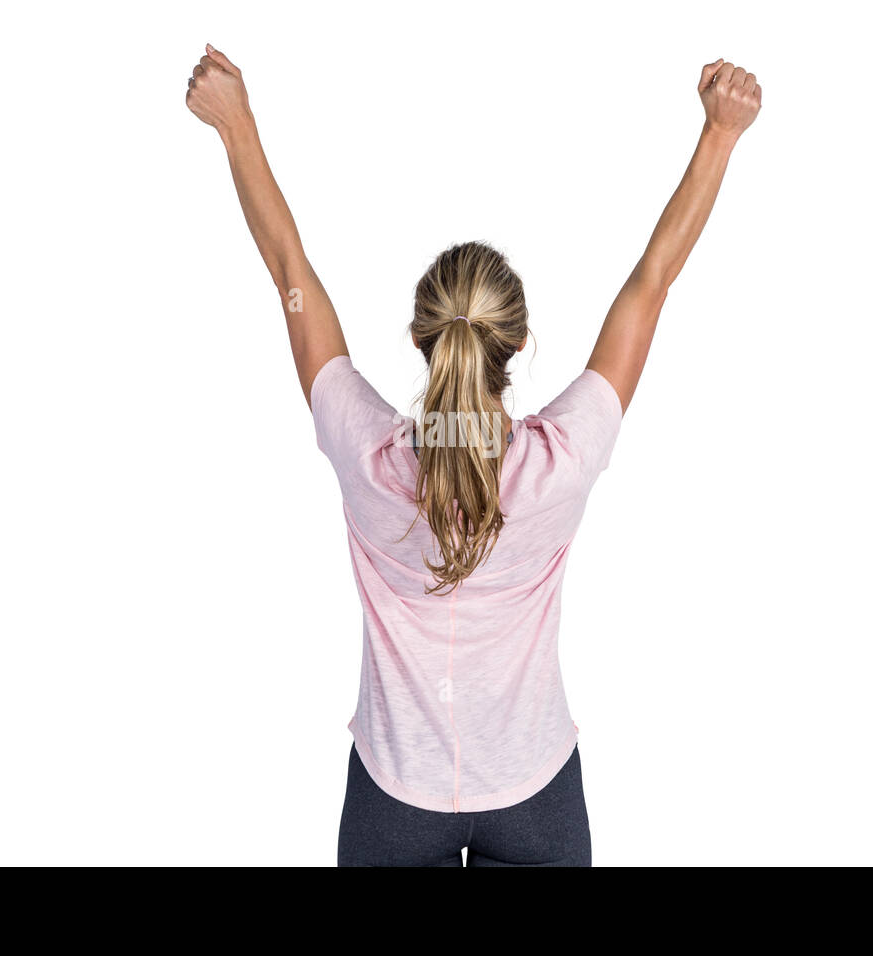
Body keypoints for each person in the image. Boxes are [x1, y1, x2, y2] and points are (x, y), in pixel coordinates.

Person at [186, 46, 761, 866]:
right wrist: (719, 136)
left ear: (424, 342)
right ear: (518, 343)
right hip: (534, 796)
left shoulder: (369, 453)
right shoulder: (560, 460)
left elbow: (290, 271)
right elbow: (652, 281)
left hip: (394, 801)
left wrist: (235, 125)